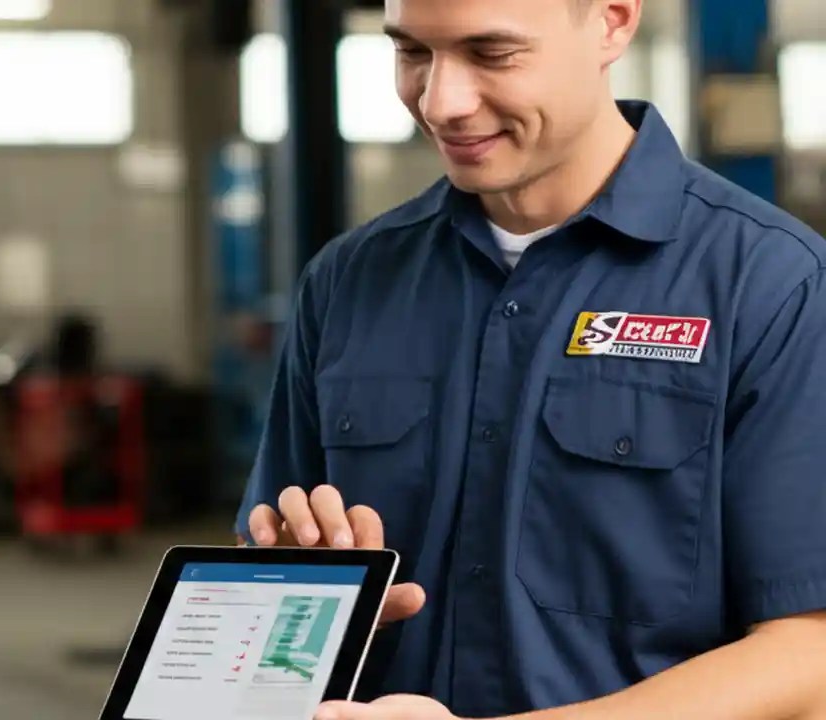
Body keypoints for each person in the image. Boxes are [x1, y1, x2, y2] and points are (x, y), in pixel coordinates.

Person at [237, 1, 826, 719]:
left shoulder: (771, 286)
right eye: (413, 53)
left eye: (492, 54)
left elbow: (809, 654)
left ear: (612, 21)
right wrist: (310, 595)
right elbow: (267, 595)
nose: (441, 102)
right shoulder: (348, 282)